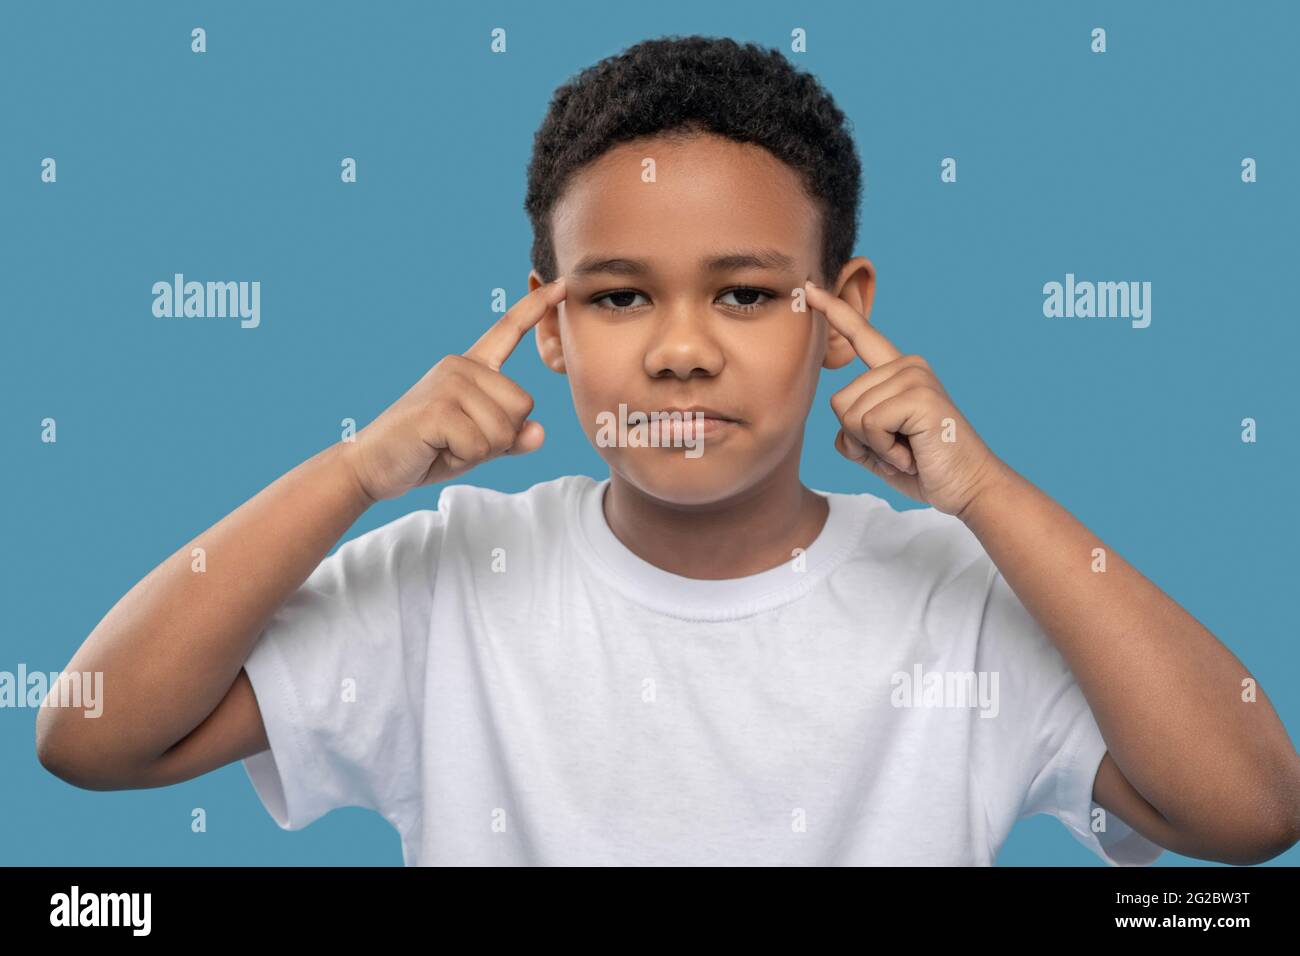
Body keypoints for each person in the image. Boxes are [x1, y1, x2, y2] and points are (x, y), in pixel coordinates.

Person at [36, 35, 1300, 866]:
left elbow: (1250, 811)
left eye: (747, 295)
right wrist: (357, 470)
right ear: (545, 319)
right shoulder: (447, 575)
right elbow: (94, 737)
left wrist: (986, 494)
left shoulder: (962, 605)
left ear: (840, 306)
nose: (680, 352)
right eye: (618, 295)